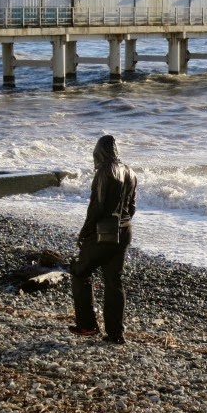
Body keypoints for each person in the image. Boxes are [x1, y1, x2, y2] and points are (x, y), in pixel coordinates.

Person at [69, 135, 138, 344]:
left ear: (99, 153)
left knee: (80, 272)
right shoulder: (131, 172)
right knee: (114, 280)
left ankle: (87, 325)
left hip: (104, 231)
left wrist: (85, 231)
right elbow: (132, 207)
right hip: (125, 230)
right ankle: (116, 333)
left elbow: (97, 207)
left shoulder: (104, 172)